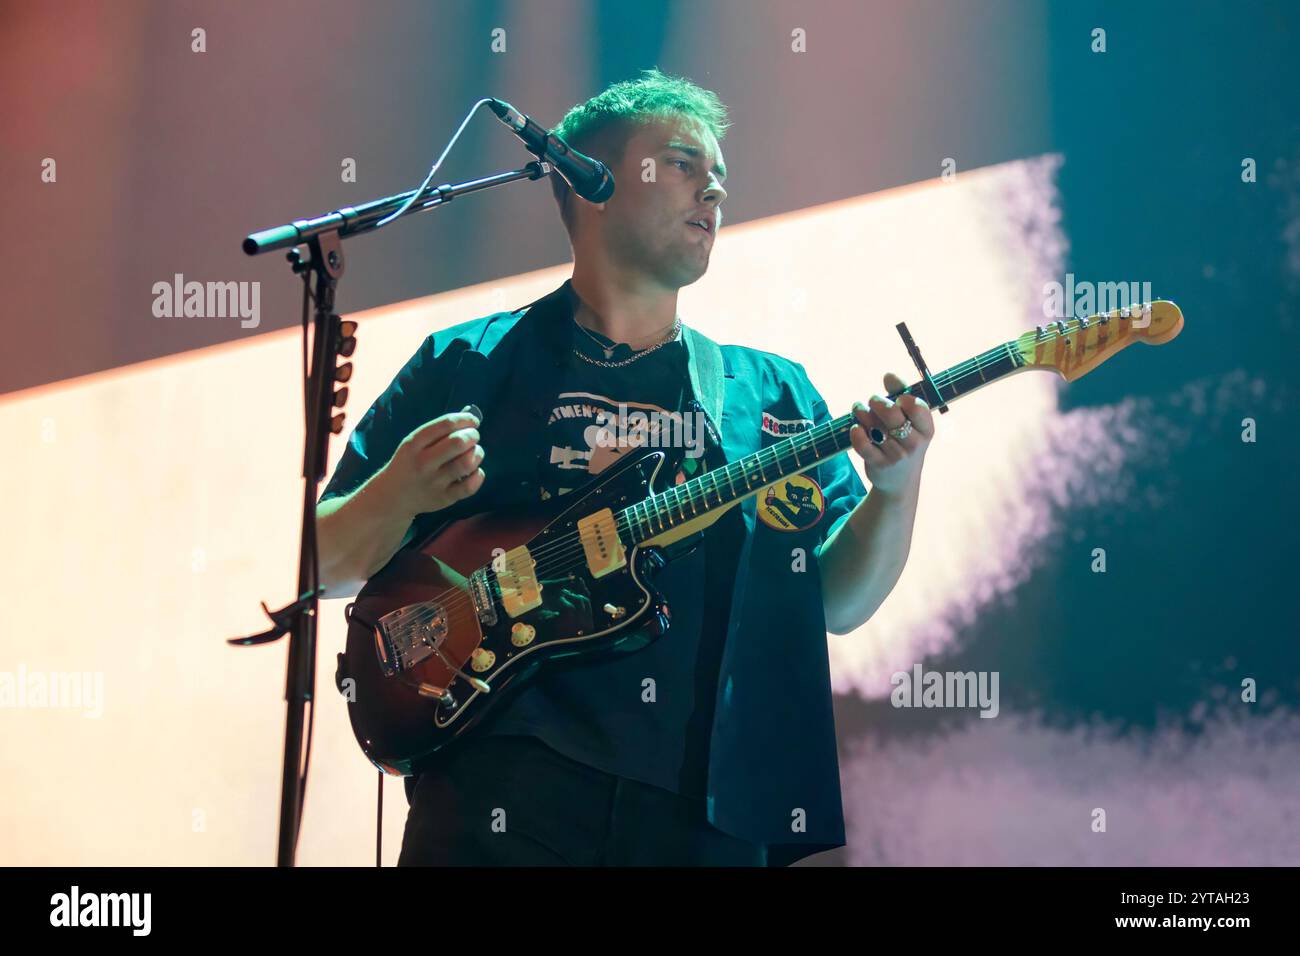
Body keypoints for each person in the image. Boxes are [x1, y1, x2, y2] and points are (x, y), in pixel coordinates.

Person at [316, 68, 935, 867]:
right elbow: (323, 564)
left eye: (720, 177)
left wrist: (894, 486)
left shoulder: (768, 393)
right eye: (682, 164)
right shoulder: (467, 362)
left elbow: (840, 603)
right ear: (590, 182)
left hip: (708, 804)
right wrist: (398, 488)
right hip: (499, 795)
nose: (712, 191)